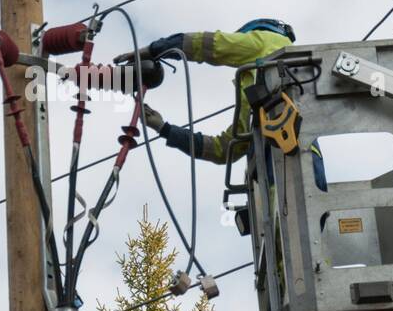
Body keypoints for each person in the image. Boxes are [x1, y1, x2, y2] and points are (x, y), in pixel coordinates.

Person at [119, 18, 327, 188]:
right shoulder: (256, 96)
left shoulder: (269, 41)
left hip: (290, 158)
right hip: (275, 173)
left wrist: (152, 50)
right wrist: (164, 128)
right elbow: (223, 148)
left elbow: (209, 45)